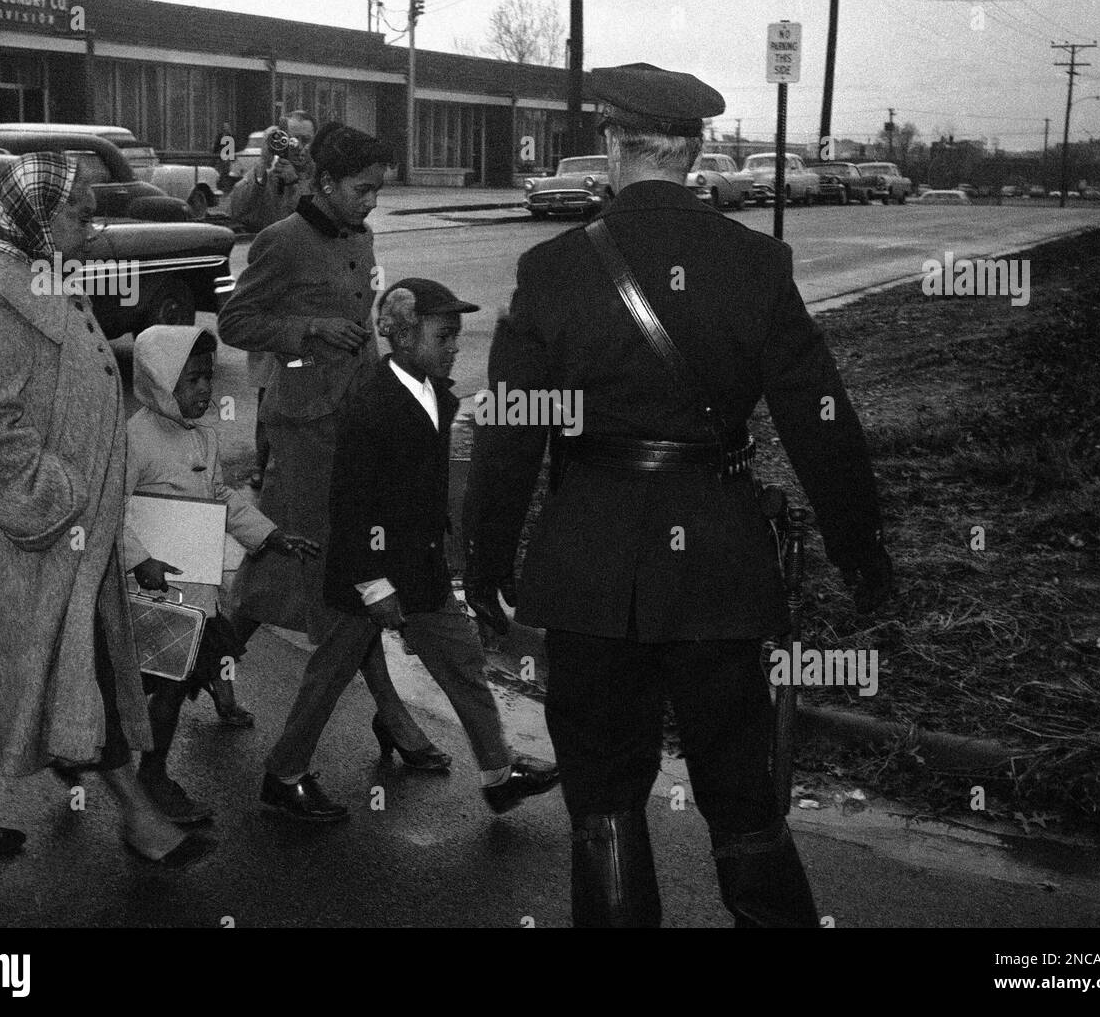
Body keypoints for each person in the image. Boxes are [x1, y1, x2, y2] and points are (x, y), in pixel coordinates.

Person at [462, 63, 893, 927]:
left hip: (589, 565)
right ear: (694, 150)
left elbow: (511, 434)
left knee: (607, 801)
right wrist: (863, 558)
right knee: (742, 790)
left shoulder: (550, 271)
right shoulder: (756, 262)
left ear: (615, 146)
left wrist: (486, 562)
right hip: (720, 567)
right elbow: (822, 424)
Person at [0, 153, 211, 867]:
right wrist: (59, 499)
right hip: (16, 532)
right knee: (80, 663)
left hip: (28, 538)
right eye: (77, 212)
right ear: (34, 219)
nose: (91, 226)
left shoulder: (38, 277)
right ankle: (138, 818)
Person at [218, 122, 437, 822]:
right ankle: (218, 695)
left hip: (355, 424)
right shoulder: (282, 240)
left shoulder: (359, 238)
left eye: (379, 188)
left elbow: (364, 329)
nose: (374, 202)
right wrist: (306, 329)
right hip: (304, 429)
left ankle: (210, 667)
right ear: (325, 183)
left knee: (319, 576)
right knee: (338, 583)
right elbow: (235, 321)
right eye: (363, 188)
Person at [292, 278, 561, 816]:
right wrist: (373, 586)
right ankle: (284, 773)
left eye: (457, 336)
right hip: (373, 579)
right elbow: (351, 507)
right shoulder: (371, 406)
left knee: (463, 664)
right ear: (404, 336)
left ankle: (498, 773)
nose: (456, 346)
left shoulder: (436, 394)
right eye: (445, 336)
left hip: (423, 571)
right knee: (329, 678)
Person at [124, 325, 318, 823]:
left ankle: (133, 766)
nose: (205, 390)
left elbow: (220, 497)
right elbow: (110, 509)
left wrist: (269, 534)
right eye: (191, 380)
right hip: (147, 593)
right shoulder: (134, 440)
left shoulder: (204, 435)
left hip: (194, 591)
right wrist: (138, 558)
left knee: (163, 682)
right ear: (158, 381)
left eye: (208, 378)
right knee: (156, 685)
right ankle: (146, 774)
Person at [228, 110, 316, 490]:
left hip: (305, 298)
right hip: (268, 296)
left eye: (304, 139)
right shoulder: (266, 173)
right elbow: (238, 208)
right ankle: (263, 463)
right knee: (268, 386)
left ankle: (298, 461)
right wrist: (262, 167)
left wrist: (298, 182)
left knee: (304, 379)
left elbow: (314, 223)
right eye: (288, 137)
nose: (295, 145)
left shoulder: (318, 178)